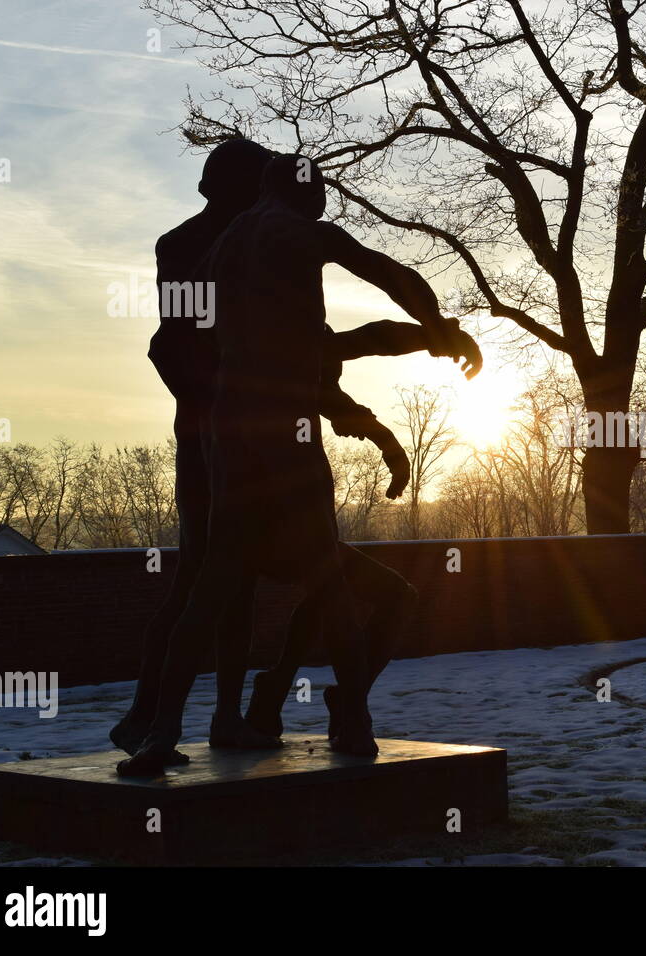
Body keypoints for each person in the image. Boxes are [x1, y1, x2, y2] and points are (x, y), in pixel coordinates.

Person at [114, 146, 479, 773]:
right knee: (326, 581)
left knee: (210, 584)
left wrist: (411, 348)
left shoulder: (221, 248)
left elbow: (311, 347)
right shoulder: (298, 232)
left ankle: (162, 731)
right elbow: (387, 276)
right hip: (281, 435)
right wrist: (436, 323)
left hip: (229, 432)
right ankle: (352, 723)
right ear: (306, 194)